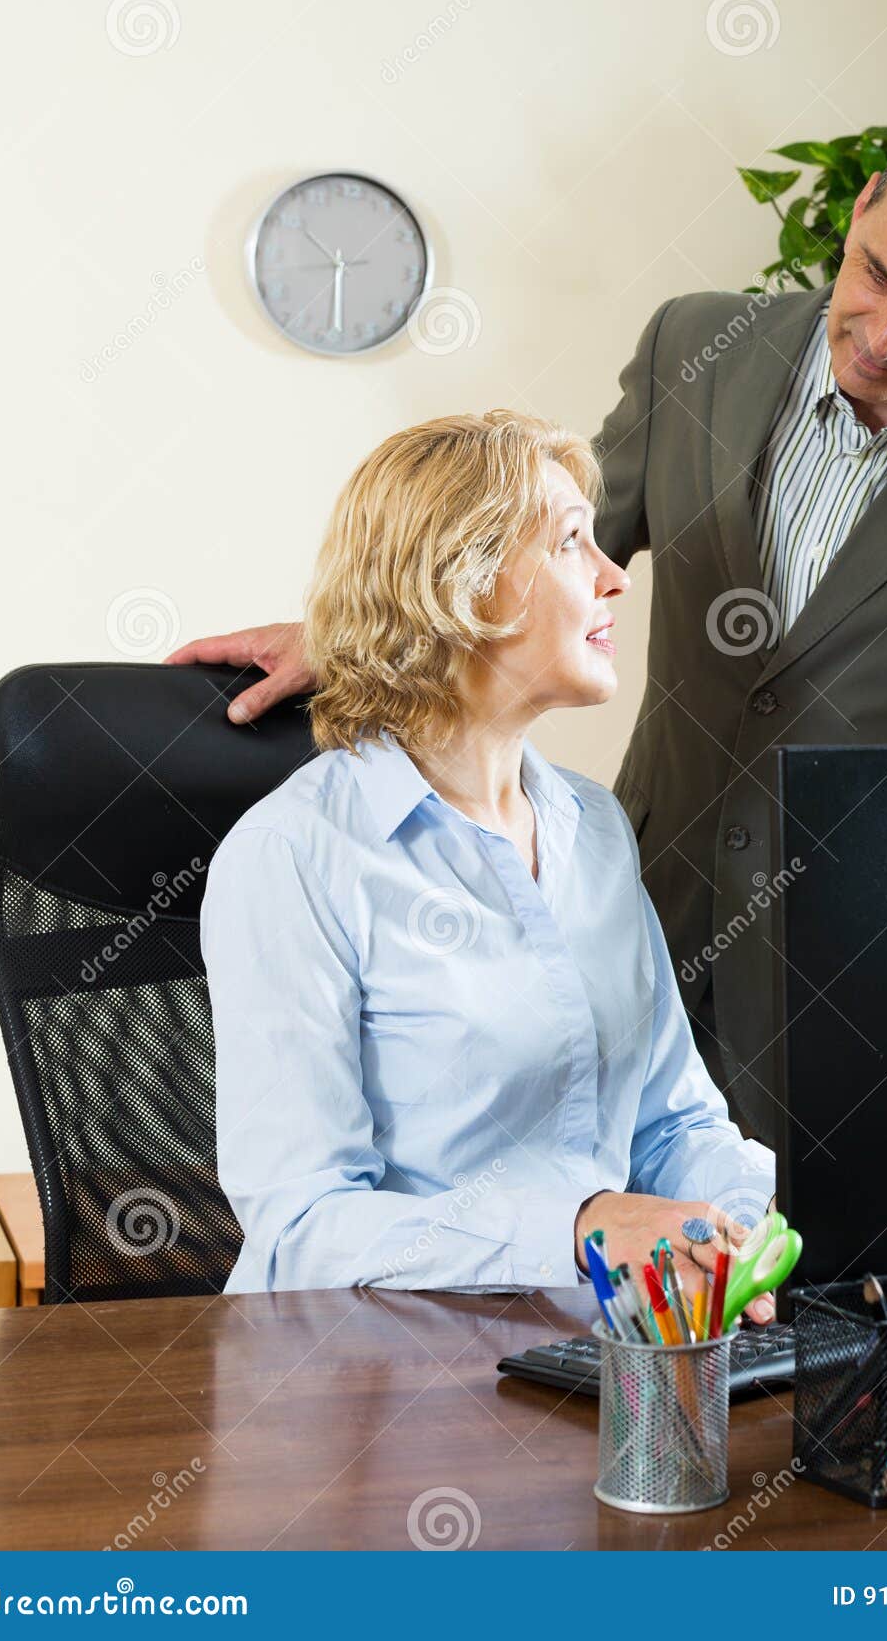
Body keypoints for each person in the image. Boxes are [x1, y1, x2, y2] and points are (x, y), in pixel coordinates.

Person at [174, 105, 887, 1149]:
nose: (885, 338)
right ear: (862, 206)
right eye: (875, 275)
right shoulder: (699, 345)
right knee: (613, 1236)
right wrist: (366, 622)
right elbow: (548, 545)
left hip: (872, 962)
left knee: (814, 1277)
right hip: (646, 900)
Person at [201, 409, 778, 1315]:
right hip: (377, 1387)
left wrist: (727, 1227)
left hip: (598, 1354)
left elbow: (677, 1120)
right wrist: (579, 1228)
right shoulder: (296, 856)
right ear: (461, 586)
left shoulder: (594, 828)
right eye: (572, 542)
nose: (615, 578)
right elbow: (303, 1224)